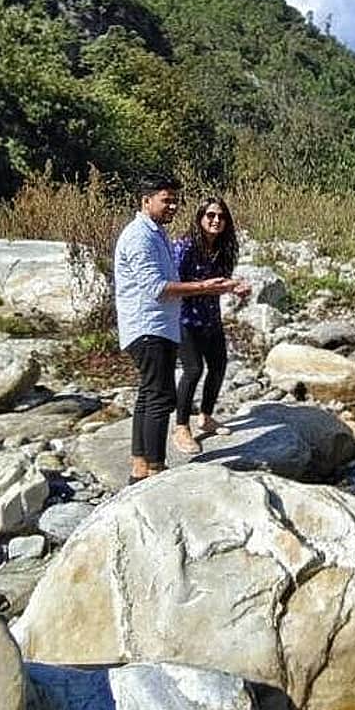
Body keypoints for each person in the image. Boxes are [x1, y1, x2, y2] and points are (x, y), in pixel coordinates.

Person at [113, 176, 243, 484]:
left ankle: (140, 468)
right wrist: (203, 287)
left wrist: (220, 287)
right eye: (165, 199)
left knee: (148, 394)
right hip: (149, 326)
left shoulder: (156, 234)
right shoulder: (139, 237)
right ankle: (157, 470)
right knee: (160, 397)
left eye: (175, 200)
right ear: (146, 200)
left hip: (160, 326)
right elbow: (156, 288)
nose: (172, 205)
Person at [172, 197, 249, 454]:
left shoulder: (223, 248)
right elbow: (171, 286)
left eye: (221, 217)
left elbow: (221, 281)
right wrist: (205, 287)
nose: (216, 221)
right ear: (200, 218)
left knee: (218, 366)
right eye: (210, 216)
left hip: (211, 317)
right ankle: (181, 427)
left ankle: (205, 417)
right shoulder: (184, 247)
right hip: (185, 318)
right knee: (193, 370)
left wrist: (235, 287)